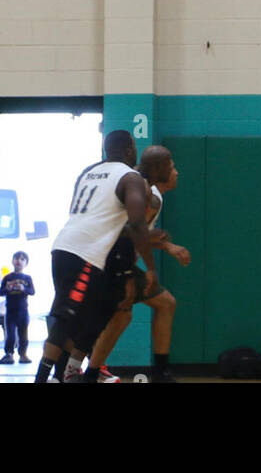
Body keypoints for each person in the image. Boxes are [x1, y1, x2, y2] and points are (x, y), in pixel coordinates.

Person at [34, 129, 153, 384]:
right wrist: (150, 267)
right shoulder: (130, 177)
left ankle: (74, 373)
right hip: (84, 255)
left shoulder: (88, 172)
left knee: (102, 309)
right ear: (130, 148)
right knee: (68, 318)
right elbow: (136, 223)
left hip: (64, 247)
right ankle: (45, 378)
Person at [82, 146, 190, 383]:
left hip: (98, 256)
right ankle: (160, 372)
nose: (177, 172)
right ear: (161, 170)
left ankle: (90, 372)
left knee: (122, 316)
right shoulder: (152, 197)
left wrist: (163, 245)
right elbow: (132, 232)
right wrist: (167, 249)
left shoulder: (142, 187)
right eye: (172, 167)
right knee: (164, 304)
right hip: (112, 261)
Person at [0, 251, 34, 364]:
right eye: (17, 258)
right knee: (10, 335)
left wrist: (23, 289)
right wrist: (7, 289)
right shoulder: (7, 277)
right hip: (10, 311)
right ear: (12, 261)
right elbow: (1, 292)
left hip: (23, 311)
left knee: (23, 335)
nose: (19, 261)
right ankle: (9, 354)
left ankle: (23, 354)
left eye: (22, 259)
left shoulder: (27, 278)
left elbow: (32, 291)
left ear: (26, 263)